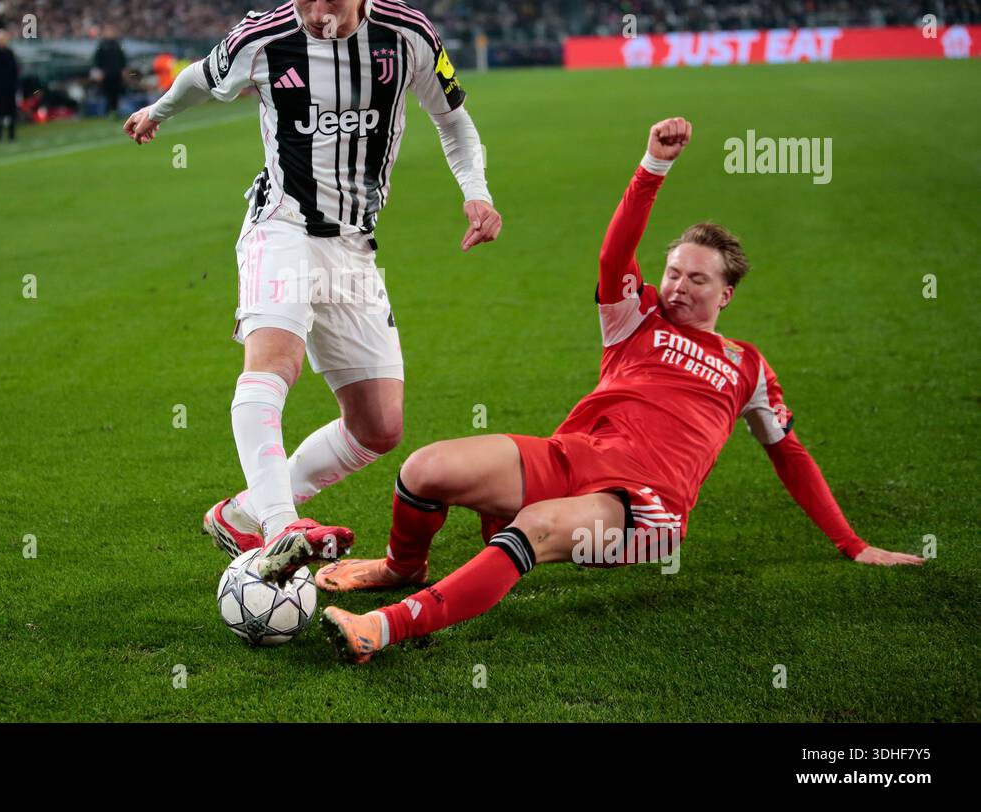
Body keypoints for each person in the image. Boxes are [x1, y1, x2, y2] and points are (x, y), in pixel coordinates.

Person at [318, 117, 925, 664]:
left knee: (533, 527)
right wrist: (652, 166)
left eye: (698, 278)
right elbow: (615, 256)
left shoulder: (748, 367)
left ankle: (383, 629)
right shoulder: (638, 317)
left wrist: (852, 543)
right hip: (573, 456)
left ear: (726, 294)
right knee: (425, 469)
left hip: (645, 506)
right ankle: (404, 568)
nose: (681, 286)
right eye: (674, 273)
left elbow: (790, 455)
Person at [122, 0, 503, 583]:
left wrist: (477, 192)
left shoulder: (407, 34)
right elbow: (199, 77)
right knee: (273, 363)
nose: (318, 12)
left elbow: (455, 122)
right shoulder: (262, 37)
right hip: (283, 223)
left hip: (355, 246)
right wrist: (156, 111)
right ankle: (278, 527)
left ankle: (244, 513)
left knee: (380, 427)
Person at [93, 25, 127, 115]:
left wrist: (123, 70)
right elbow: (97, 59)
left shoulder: (118, 44)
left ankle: (115, 111)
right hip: (106, 73)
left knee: (116, 92)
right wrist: (99, 71)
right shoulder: (102, 45)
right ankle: (108, 111)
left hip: (117, 72)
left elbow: (122, 58)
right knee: (107, 92)